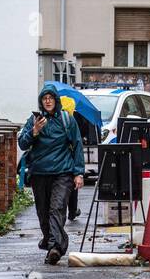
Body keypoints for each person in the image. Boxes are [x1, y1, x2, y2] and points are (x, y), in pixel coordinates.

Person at [19, 84, 84, 265]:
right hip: (39, 173)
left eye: (51, 98)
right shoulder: (34, 121)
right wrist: (34, 132)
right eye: (44, 99)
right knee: (43, 213)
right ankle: (51, 241)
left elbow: (77, 145)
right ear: (41, 102)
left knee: (57, 208)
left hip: (62, 173)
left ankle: (55, 247)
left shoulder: (66, 120)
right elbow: (22, 144)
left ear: (56, 101)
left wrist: (78, 173)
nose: (48, 101)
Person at [59, 96, 99, 222]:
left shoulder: (56, 117)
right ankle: (72, 211)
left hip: (60, 158)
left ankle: (64, 211)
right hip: (71, 156)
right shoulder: (74, 117)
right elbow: (81, 135)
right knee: (72, 186)